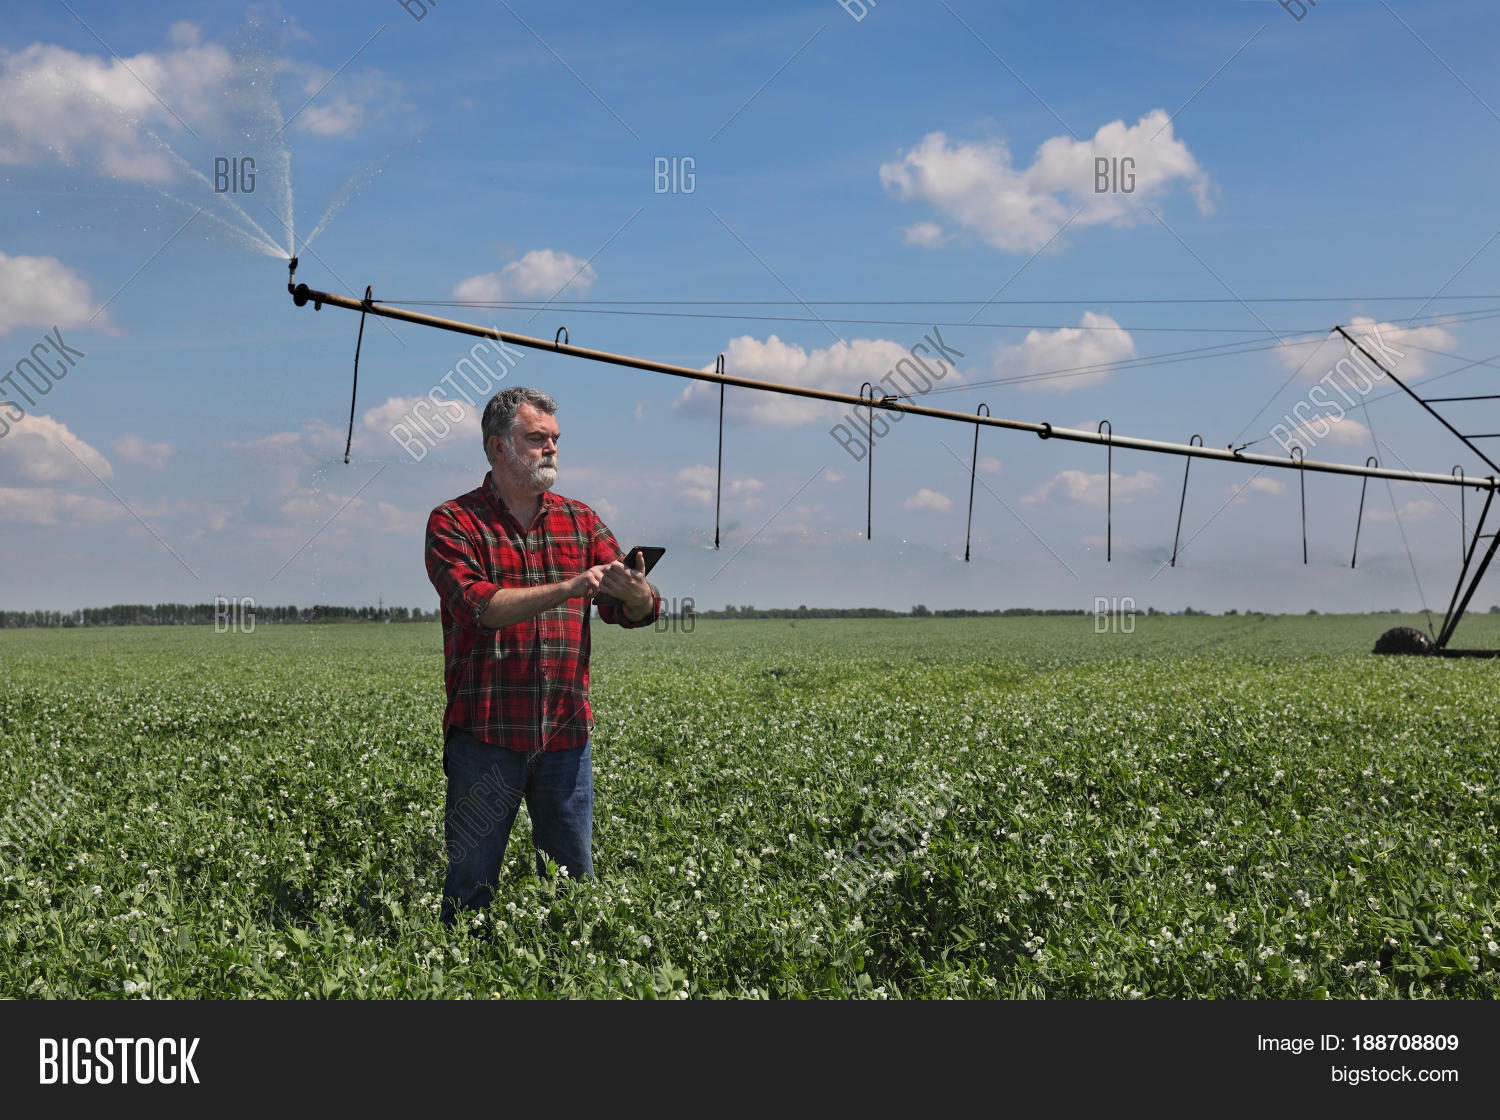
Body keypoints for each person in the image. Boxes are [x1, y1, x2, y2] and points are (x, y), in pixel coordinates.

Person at [424, 386, 660, 925]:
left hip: (565, 740)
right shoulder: (454, 521)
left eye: (554, 439)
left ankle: (564, 967)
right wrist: (570, 586)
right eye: (536, 438)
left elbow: (635, 611)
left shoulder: (581, 520)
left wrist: (636, 592)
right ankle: (462, 966)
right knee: (469, 891)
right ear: (498, 447)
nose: (551, 448)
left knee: (574, 892)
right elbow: (480, 606)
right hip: (485, 737)